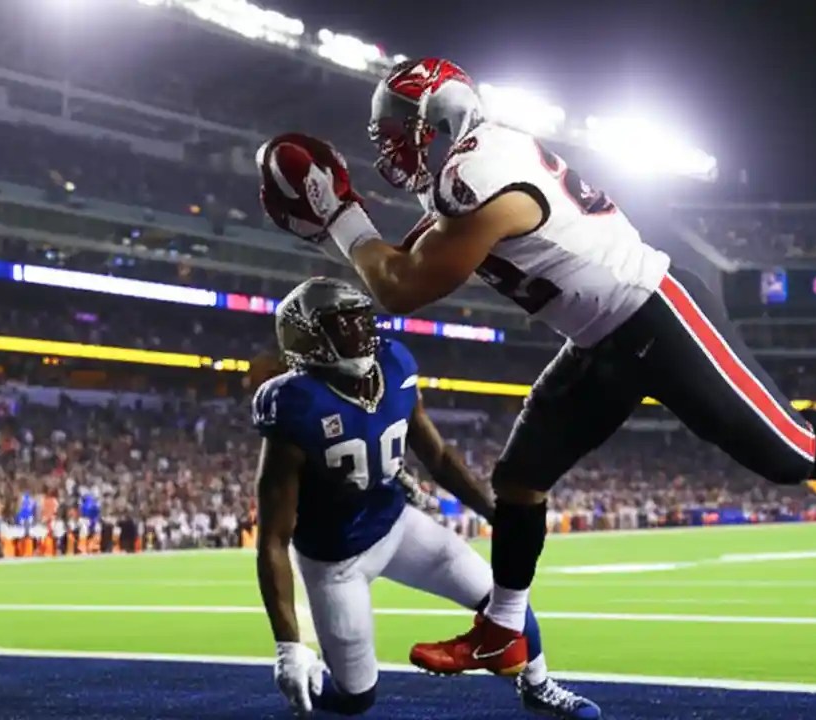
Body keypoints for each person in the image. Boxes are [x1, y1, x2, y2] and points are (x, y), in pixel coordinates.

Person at [254, 57, 816, 678]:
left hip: (653, 313)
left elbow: (403, 284)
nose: (391, 143)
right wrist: (344, 226)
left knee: (786, 452)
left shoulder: (478, 176)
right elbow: (403, 262)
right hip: (601, 339)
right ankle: (504, 632)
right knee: (521, 479)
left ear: (442, 123)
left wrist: (335, 217)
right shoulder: (463, 170)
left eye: (401, 127)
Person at [252, 277, 600, 718]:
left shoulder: (394, 363)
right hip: (334, 561)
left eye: (362, 319)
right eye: (343, 325)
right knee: (356, 699)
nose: (361, 333)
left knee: (504, 594)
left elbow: (436, 455)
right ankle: (310, 684)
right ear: (309, 337)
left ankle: (537, 684)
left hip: (396, 525)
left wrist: (498, 513)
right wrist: (288, 644)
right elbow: (272, 540)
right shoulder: (294, 403)